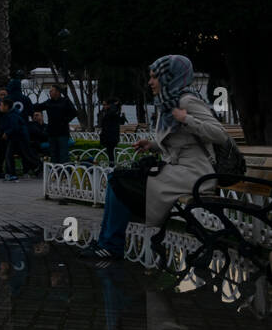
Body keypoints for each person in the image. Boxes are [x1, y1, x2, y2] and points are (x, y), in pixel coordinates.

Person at [81, 55, 226, 261]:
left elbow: (219, 134)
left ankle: (111, 245)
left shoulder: (187, 101)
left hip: (195, 175)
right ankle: (107, 242)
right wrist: (153, 145)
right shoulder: (171, 101)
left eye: (154, 77)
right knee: (117, 179)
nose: (150, 82)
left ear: (170, 77)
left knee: (120, 182)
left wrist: (186, 119)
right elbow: (181, 142)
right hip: (179, 172)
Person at [36, 84, 77, 163]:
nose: (50, 92)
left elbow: (74, 113)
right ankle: (55, 172)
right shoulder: (49, 102)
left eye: (52, 90)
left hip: (62, 132)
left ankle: (65, 172)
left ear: (57, 92)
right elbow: (38, 106)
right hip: (52, 132)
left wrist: (64, 120)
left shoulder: (65, 101)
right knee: (53, 154)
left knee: (63, 154)